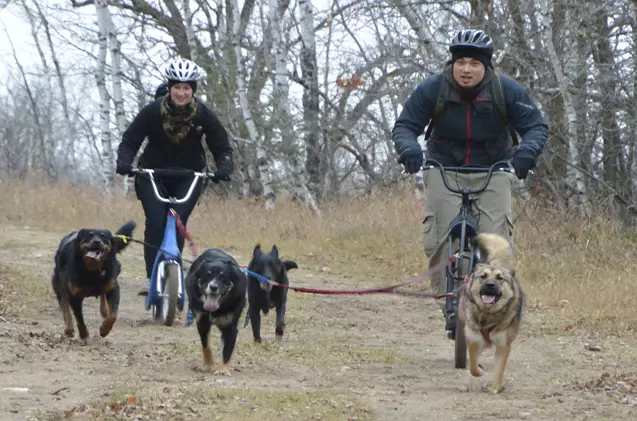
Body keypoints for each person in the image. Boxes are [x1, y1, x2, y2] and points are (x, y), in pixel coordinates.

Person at [392, 28, 548, 339]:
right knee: (436, 238)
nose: (466, 69)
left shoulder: (506, 90)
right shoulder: (433, 89)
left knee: (496, 244)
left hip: (493, 168)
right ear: (452, 64)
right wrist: (409, 149)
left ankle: (489, 308)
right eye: (460, 62)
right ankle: (449, 305)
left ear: (486, 66)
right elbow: (406, 125)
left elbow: (536, 126)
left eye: (474, 63)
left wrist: (526, 152)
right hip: (442, 166)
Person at [115, 58, 233, 296]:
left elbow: (222, 146)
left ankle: (174, 278)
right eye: (177, 87)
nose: (181, 93)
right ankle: (153, 279)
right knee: (157, 221)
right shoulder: (152, 112)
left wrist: (224, 167)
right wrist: (125, 163)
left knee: (178, 222)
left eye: (186, 88)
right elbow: (129, 141)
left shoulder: (203, 115)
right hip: (151, 174)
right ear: (169, 88)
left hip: (189, 176)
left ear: (193, 90)